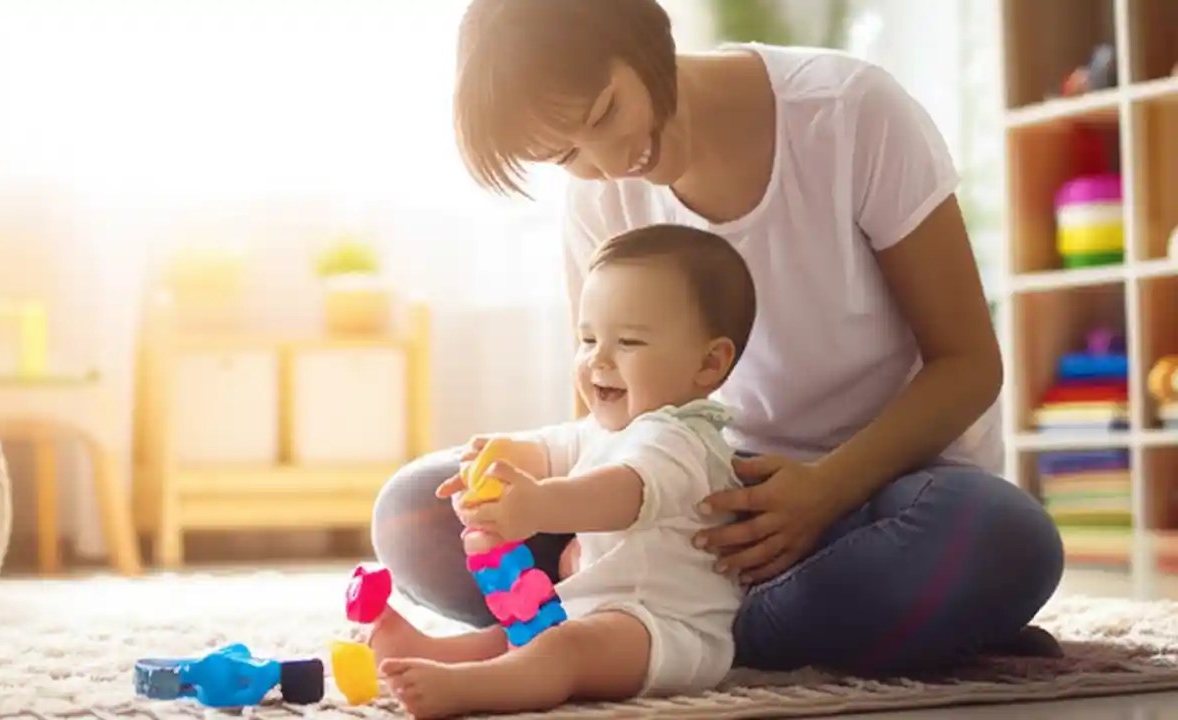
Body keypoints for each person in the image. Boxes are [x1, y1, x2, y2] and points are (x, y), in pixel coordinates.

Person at [372, 0, 1066, 677]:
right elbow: (610, 409)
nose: (609, 162)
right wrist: (578, 521)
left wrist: (823, 490)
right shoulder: (598, 199)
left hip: (883, 493)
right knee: (415, 514)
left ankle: (677, 636)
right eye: (565, 154)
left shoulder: (850, 113)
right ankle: (705, 627)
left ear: (641, 33)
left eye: (605, 113)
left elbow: (969, 363)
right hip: (695, 511)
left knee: (1005, 539)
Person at [371, 224, 756, 718]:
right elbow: (554, 445)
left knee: (563, 649)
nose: (599, 358)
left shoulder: (681, 440)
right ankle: (443, 655)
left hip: (667, 629)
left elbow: (624, 492)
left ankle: (472, 690)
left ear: (708, 364)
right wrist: (496, 458)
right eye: (588, 337)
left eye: (629, 342)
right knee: (524, 633)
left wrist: (539, 505)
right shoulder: (611, 426)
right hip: (602, 610)